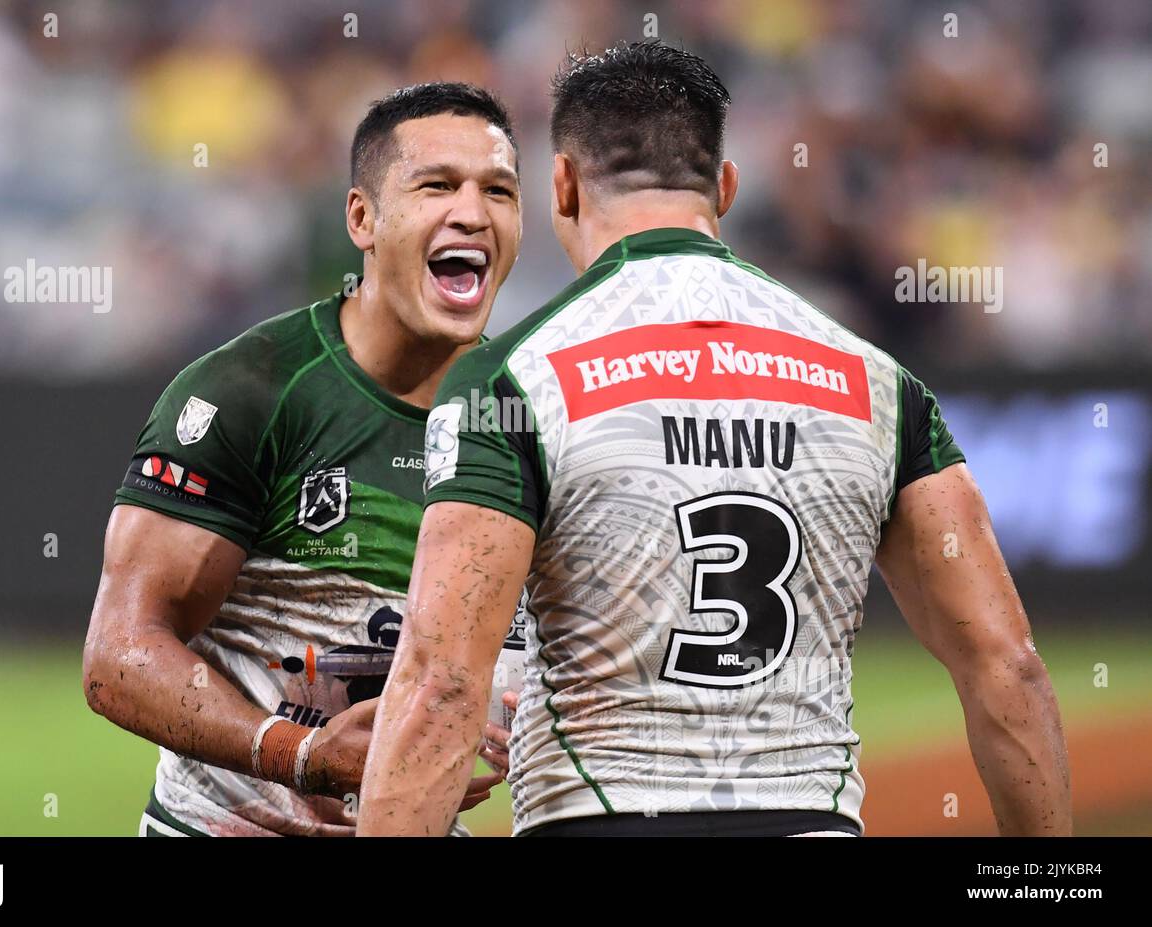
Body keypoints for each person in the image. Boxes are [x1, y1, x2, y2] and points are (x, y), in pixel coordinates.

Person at [356, 42, 1071, 837]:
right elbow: (1007, 665)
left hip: (601, 815)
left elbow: (442, 684)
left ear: (561, 185)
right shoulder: (878, 380)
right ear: (724, 186)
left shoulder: (511, 381)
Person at [83, 82, 522, 836]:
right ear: (363, 219)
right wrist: (301, 752)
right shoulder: (250, 391)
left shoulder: (531, 411)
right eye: (437, 186)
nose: (473, 212)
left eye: (499, 191)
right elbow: (119, 655)